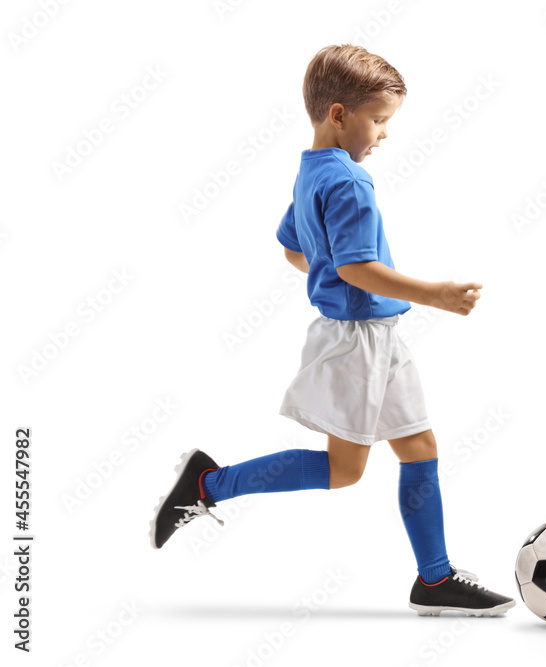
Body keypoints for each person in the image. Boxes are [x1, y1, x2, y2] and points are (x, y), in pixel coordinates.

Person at [149, 44, 514, 617]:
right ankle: (208, 484)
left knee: (420, 448)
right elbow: (354, 267)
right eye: (379, 120)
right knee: (345, 471)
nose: (384, 134)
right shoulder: (350, 182)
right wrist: (436, 295)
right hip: (356, 341)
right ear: (339, 114)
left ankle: (435, 579)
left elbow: (295, 248)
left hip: (378, 335)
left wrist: (334, 274)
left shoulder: (312, 169)